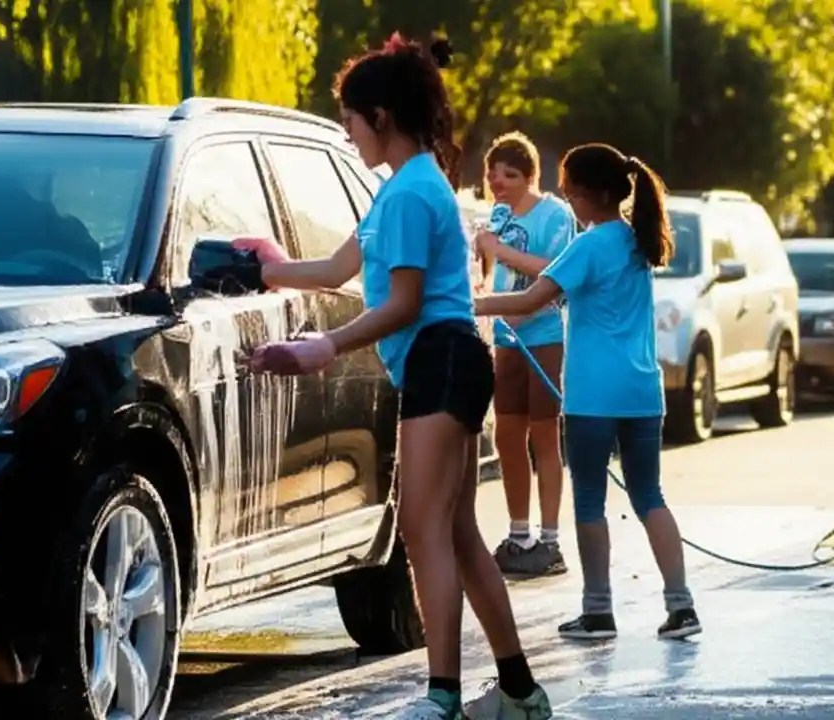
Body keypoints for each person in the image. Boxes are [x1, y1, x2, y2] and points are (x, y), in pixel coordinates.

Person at [237, 34, 551, 720]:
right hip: (448, 360)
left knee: (421, 530)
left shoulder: (411, 195)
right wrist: (258, 269)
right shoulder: (400, 190)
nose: (348, 137)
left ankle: (441, 696)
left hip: (441, 359)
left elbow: (403, 304)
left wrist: (324, 346)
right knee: (457, 533)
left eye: (351, 121)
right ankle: (521, 693)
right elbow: (334, 270)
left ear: (379, 115)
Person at [473, 143, 702, 642]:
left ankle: (598, 611)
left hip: (593, 396)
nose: (567, 199)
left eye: (571, 191)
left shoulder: (589, 244)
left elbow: (534, 298)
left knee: (590, 503)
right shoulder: (637, 242)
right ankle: (681, 605)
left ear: (593, 194)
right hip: (643, 392)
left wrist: (470, 304)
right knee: (649, 495)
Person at [474, 131, 577, 578]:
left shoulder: (555, 214)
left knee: (543, 435)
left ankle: (551, 538)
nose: (499, 182)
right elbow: (490, 274)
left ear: (530, 176)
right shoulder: (496, 216)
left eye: (509, 174)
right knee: (507, 435)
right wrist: (486, 255)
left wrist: (503, 251)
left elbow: (555, 269)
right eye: (493, 174)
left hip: (544, 335)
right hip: (505, 337)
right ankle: (520, 533)